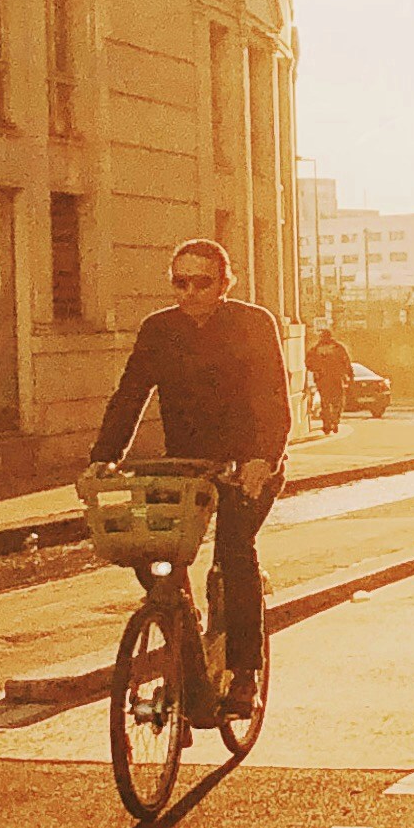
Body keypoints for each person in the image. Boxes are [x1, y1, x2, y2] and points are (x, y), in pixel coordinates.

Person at [86, 239, 291, 703]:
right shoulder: (158, 330)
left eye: (203, 282)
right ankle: (182, 626)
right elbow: (130, 394)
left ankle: (244, 673)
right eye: (181, 282)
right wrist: (104, 455)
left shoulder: (253, 324)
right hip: (185, 466)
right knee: (153, 552)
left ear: (224, 283)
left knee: (234, 551)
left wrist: (264, 459)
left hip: (247, 462)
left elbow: (272, 398)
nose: (191, 292)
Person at [306, 315, 352, 436]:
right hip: (336, 379)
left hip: (322, 380)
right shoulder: (338, 348)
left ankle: (327, 424)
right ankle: (335, 421)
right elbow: (346, 362)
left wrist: (316, 370)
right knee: (337, 402)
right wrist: (349, 376)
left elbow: (308, 363)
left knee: (325, 402)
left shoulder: (316, 349)